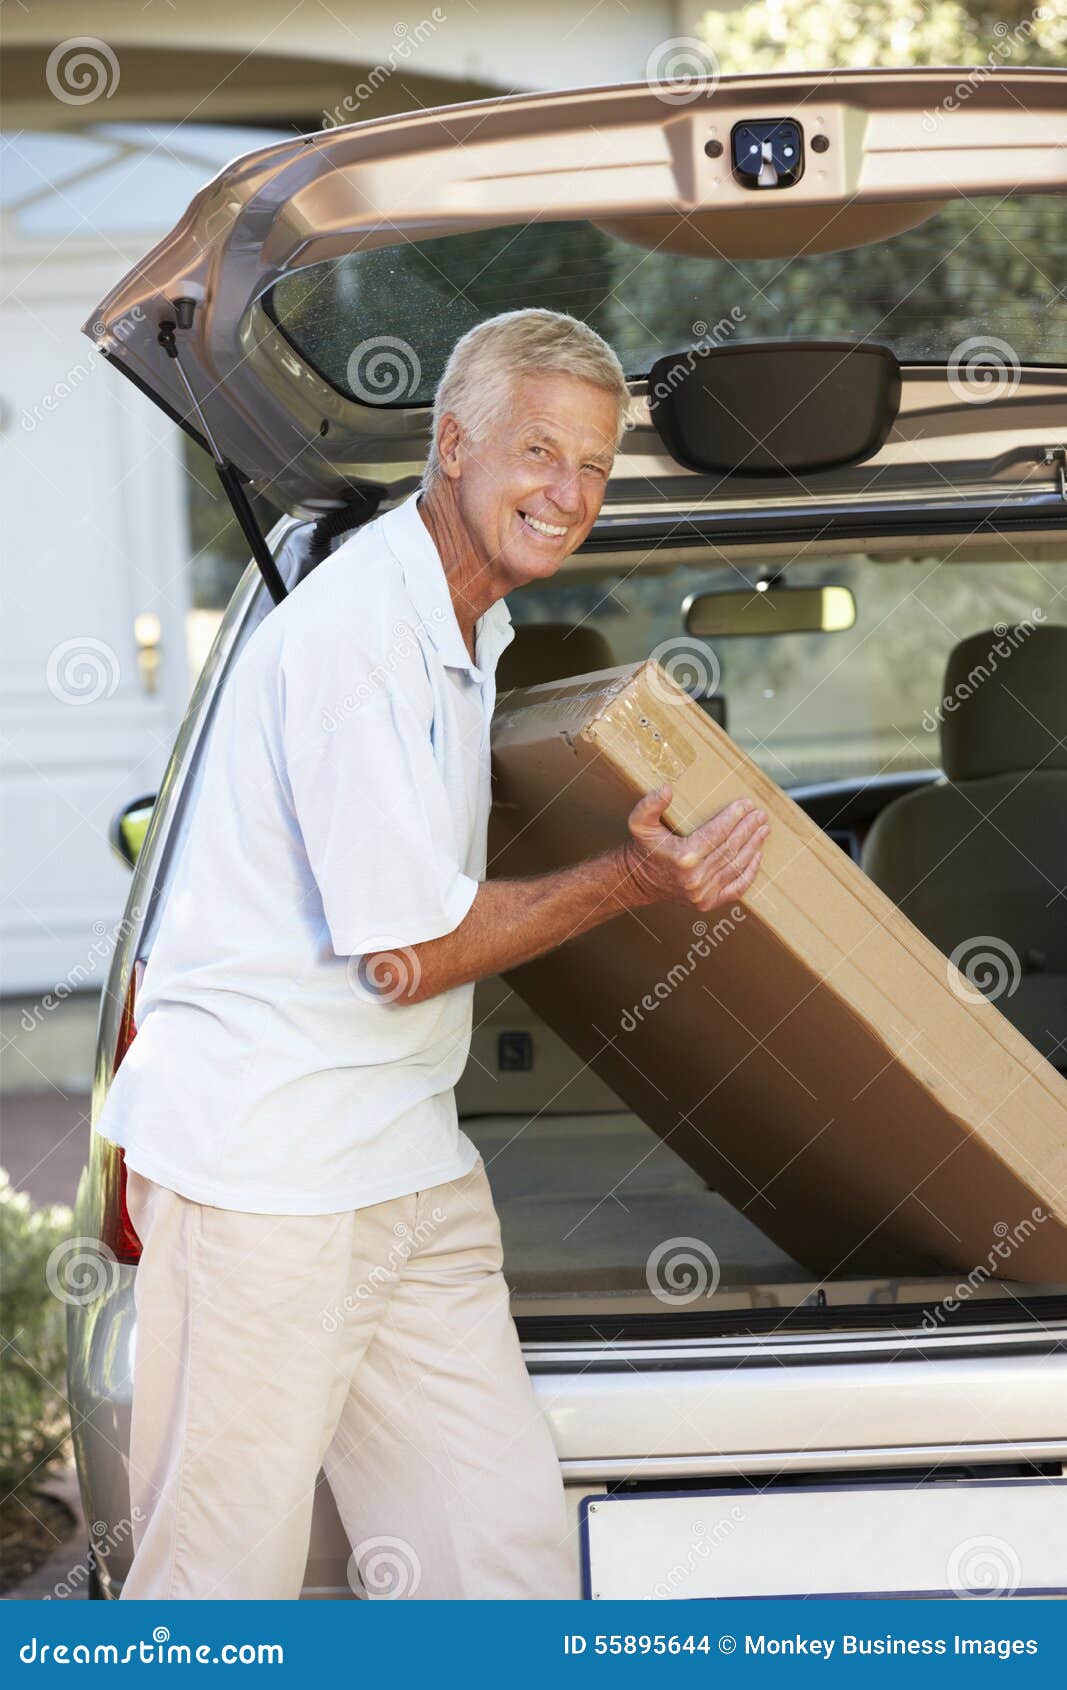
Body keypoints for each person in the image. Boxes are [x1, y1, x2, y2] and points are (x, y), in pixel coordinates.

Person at [99, 307, 770, 1600]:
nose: (568, 492)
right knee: (216, 1575)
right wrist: (635, 876)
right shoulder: (361, 637)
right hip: (270, 1179)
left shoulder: (472, 626)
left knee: (493, 1548)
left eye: (591, 465)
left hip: (406, 1155)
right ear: (451, 444)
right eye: (537, 452)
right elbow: (403, 955)